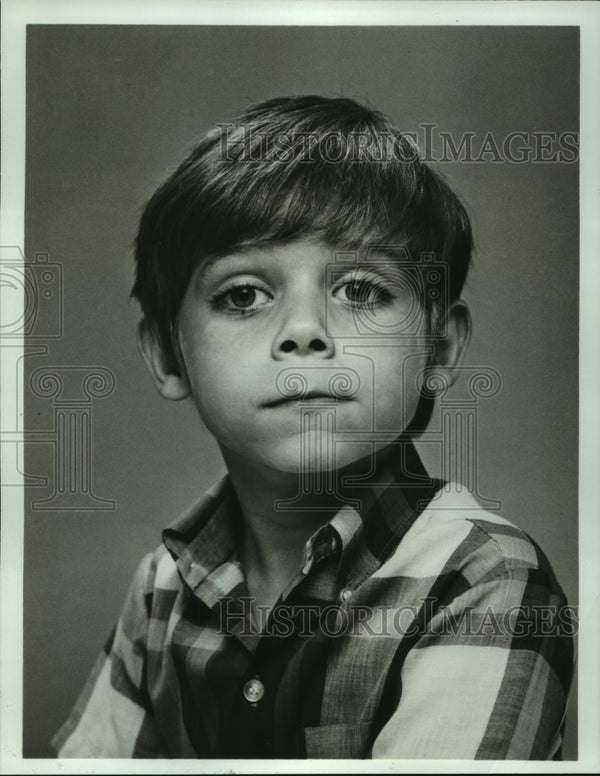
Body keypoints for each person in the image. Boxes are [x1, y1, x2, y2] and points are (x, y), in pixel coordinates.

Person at [52, 95, 573, 759]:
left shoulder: (485, 580)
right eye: (243, 295)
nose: (304, 333)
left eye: (361, 291)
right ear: (166, 353)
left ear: (439, 349)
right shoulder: (161, 589)